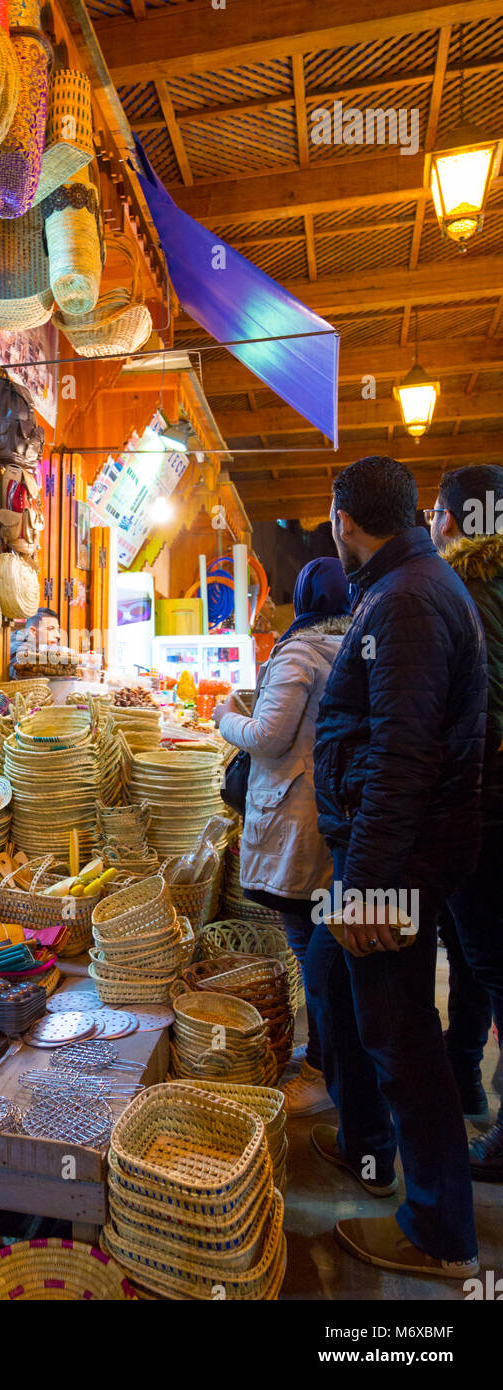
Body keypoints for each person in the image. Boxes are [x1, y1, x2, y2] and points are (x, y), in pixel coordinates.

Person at [306, 454, 486, 1279]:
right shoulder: (413, 583)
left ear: (346, 522)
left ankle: (437, 1231)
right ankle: (382, 1160)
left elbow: (401, 756)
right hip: (410, 855)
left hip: (399, 866)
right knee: (376, 1018)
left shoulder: (407, 600)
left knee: (402, 1039)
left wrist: (369, 885)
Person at [213, 559, 352, 1115]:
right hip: (329, 817)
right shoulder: (352, 642)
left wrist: (226, 717)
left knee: (310, 949)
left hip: (293, 817)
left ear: (301, 600)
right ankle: (324, 1057)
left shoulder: (300, 650)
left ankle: (322, 1069)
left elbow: (268, 738)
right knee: (319, 946)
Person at [429, 463, 503, 1178]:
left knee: (486, 955)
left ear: (453, 522)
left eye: (435, 511)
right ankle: (465, 1074)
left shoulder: (464, 592)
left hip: (486, 803)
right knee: (480, 951)